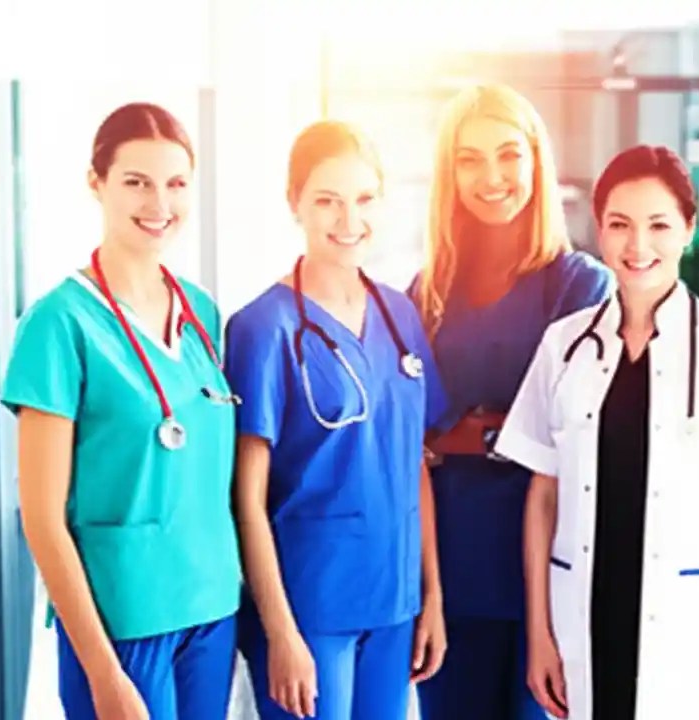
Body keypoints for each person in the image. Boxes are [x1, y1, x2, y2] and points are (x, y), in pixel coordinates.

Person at [494, 144, 699, 720]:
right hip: (585, 615)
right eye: (619, 225)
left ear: (689, 231)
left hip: (690, 626)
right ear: (599, 230)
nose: (637, 246)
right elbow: (542, 496)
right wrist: (542, 634)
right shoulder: (564, 344)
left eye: (659, 225)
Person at [1, 102, 241, 719]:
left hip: (211, 607)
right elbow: (42, 519)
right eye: (136, 181)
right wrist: (102, 671)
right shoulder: (59, 323)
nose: (158, 202)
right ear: (96, 183)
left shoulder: (201, 312)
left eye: (175, 183)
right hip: (123, 619)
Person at [223, 121, 447, 720]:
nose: (349, 219)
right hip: (311, 607)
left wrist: (433, 597)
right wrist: (281, 633)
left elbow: (413, 467)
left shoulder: (399, 315)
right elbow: (247, 500)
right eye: (327, 200)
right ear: (294, 203)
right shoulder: (263, 329)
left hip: (394, 603)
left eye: (364, 199)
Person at [410, 83, 613, 720]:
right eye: (468, 159)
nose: (491, 176)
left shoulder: (580, 284)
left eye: (507, 154)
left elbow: (576, 430)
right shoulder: (427, 291)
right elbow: (411, 437)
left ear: (536, 162)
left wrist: (469, 436)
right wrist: (501, 434)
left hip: (548, 572)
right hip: (453, 569)